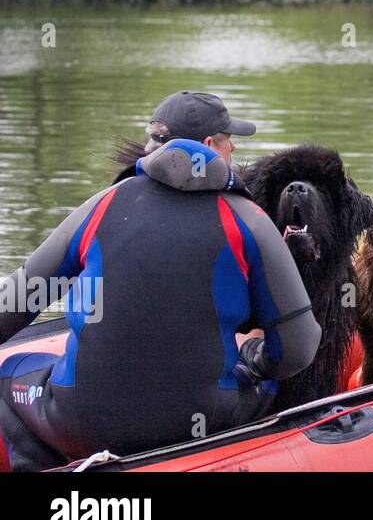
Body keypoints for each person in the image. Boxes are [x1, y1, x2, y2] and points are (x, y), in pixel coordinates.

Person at [0, 91, 320, 471]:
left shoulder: (101, 207)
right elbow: (299, 349)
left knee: (8, 372)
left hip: (80, 421)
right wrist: (254, 360)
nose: (233, 146)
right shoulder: (248, 219)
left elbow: (13, 306)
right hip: (205, 419)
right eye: (228, 137)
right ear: (209, 146)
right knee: (266, 379)